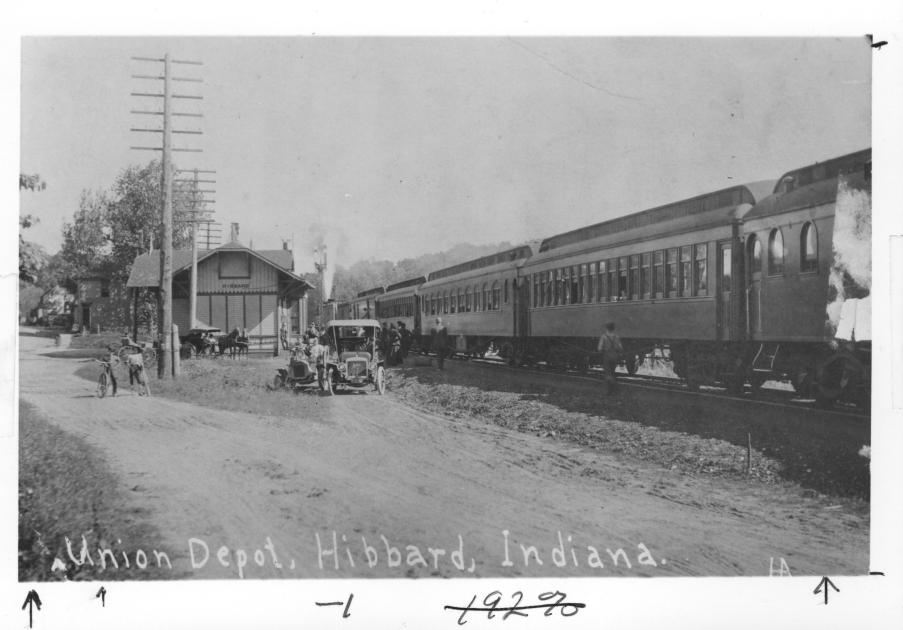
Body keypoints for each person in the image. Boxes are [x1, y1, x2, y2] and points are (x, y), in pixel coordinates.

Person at [597, 322, 624, 393]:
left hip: (607, 356)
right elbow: (620, 348)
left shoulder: (604, 337)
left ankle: (608, 390)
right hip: (614, 356)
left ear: (606, 328)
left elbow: (599, 348)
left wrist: (601, 351)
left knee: (608, 373)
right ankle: (613, 389)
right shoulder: (616, 337)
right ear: (613, 328)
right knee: (612, 372)